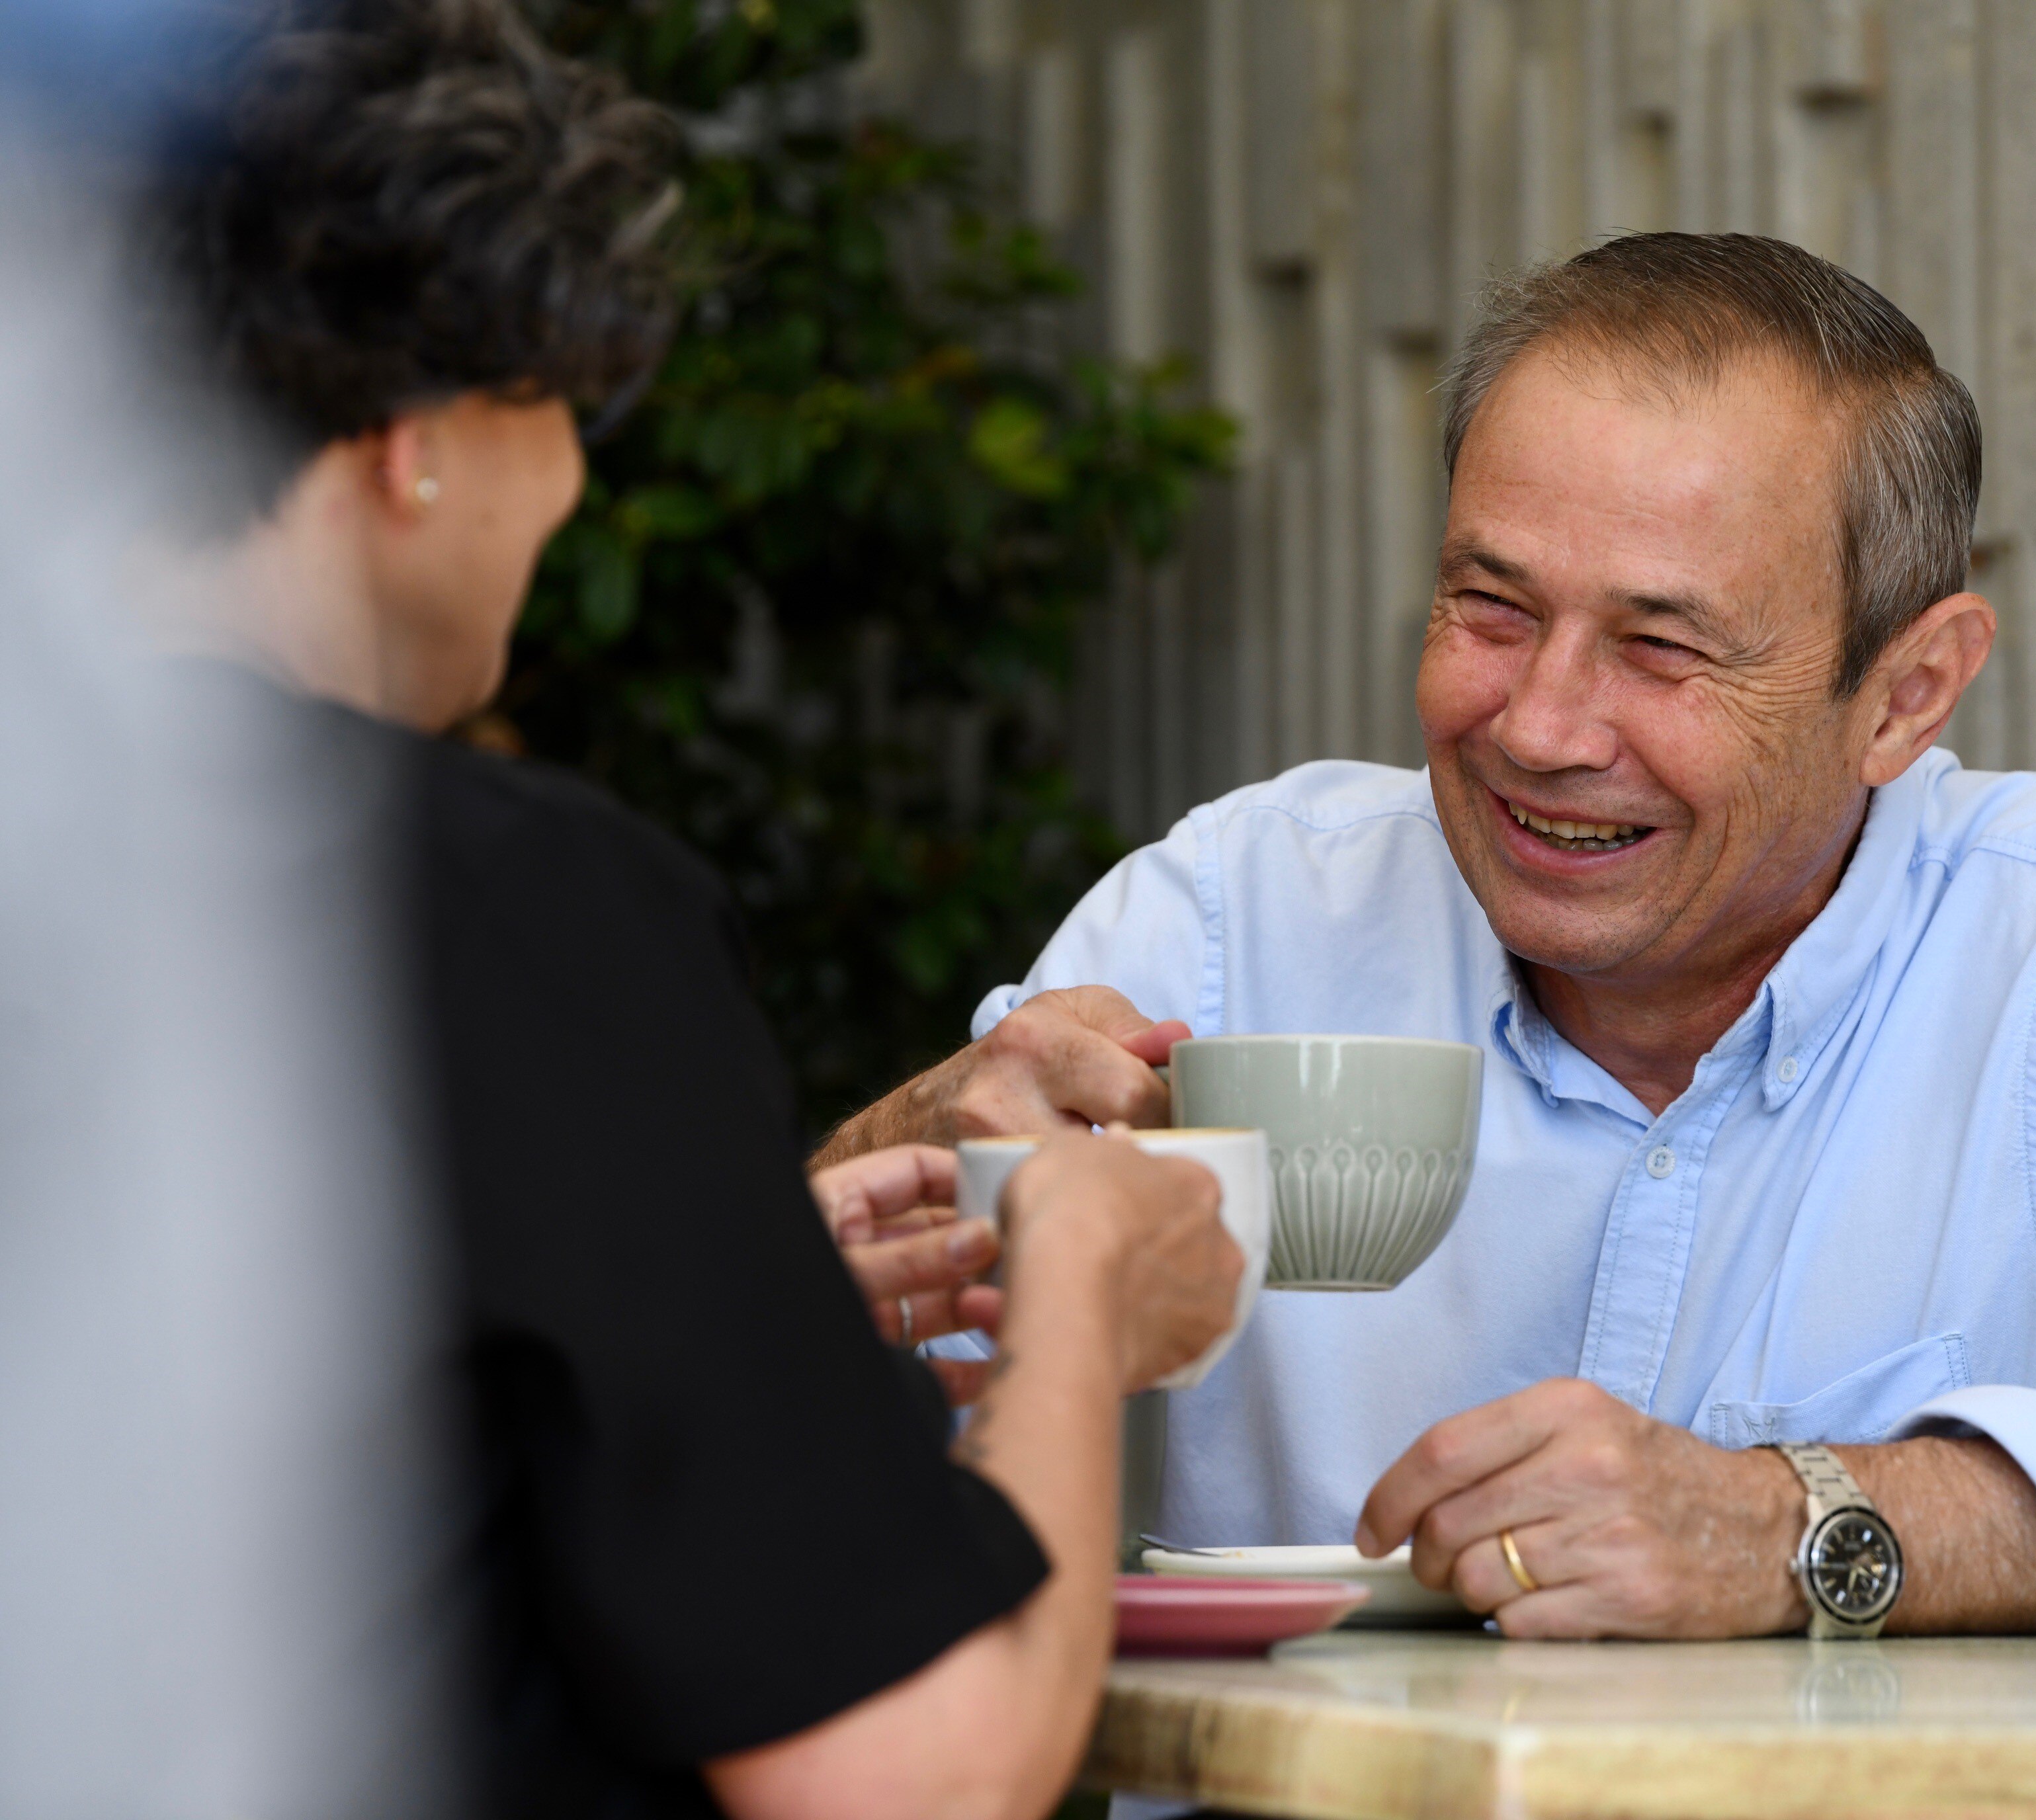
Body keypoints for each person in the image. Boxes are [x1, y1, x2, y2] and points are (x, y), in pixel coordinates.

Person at [816, 233, 2036, 1643]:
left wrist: (1791, 1523)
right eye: (1490, 608)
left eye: (1663, 646)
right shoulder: (1243, 908)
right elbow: (755, 1421)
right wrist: (901, 1167)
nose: (1538, 725)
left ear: (1907, 694)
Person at [134, 5, 1240, 1817]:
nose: (570, 485)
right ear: (422, 432)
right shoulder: (511, 901)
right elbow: (919, 1773)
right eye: (564, 407)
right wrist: (1080, 1298)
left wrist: (718, 1303)